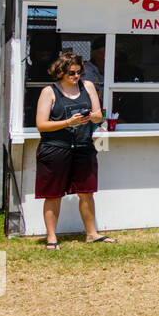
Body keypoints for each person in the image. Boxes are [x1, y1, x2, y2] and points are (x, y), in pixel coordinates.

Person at [34, 51, 112, 248]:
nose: (76, 76)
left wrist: (93, 117)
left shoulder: (88, 86)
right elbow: (41, 125)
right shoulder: (49, 92)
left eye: (78, 72)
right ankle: (51, 237)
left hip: (83, 146)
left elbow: (98, 115)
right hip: (55, 148)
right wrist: (68, 122)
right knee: (53, 194)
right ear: (60, 73)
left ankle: (92, 234)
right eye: (71, 73)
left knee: (87, 192)